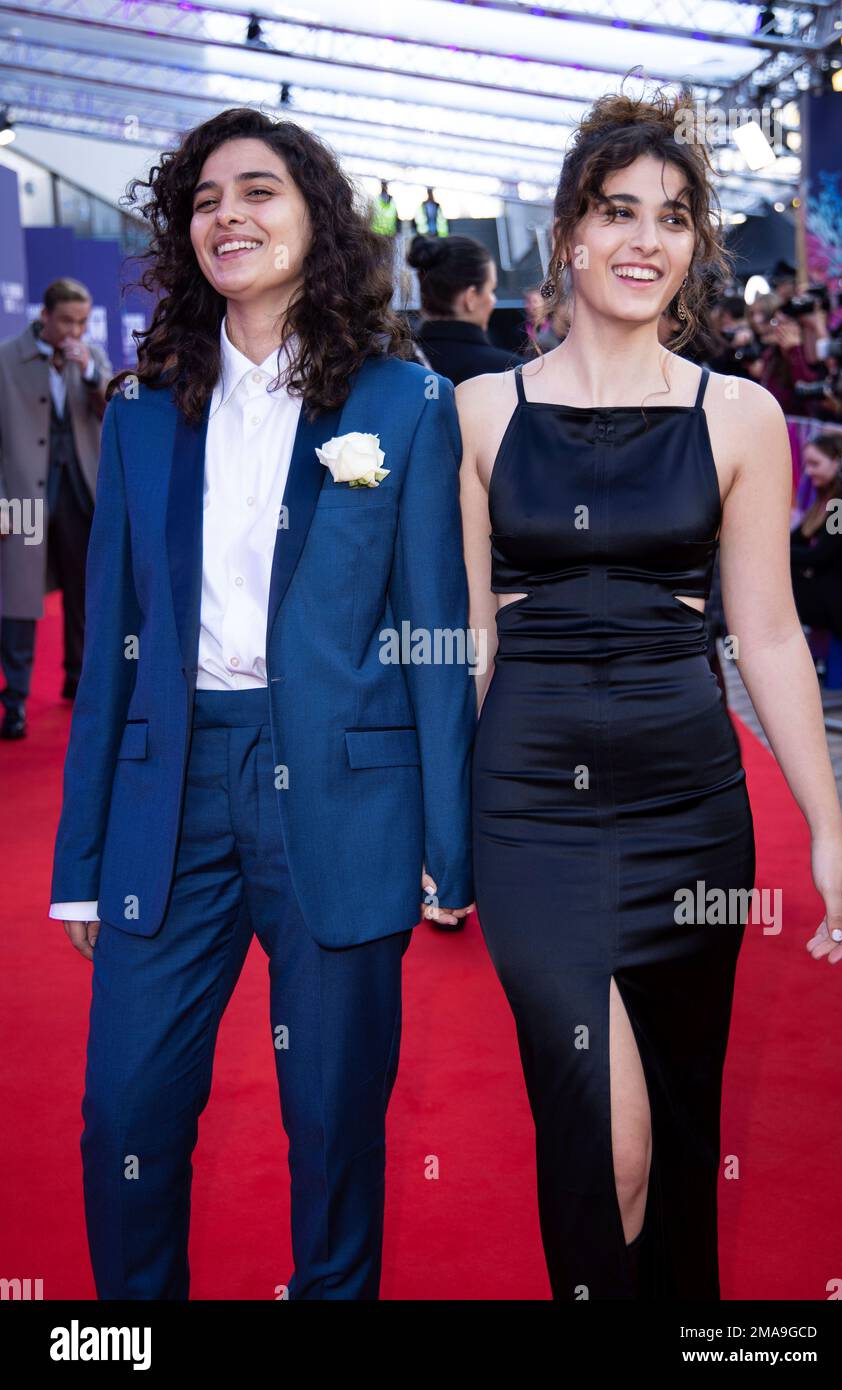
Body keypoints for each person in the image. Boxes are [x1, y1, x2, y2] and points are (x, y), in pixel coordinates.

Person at [47, 106, 475, 1300]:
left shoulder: (401, 404)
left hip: (340, 793)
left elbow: (435, 636)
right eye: (203, 200)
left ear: (315, 219)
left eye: (258, 191)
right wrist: (80, 858)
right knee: (122, 1114)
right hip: (171, 788)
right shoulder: (141, 412)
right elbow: (111, 656)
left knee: (335, 1126)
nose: (227, 215)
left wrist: (450, 838)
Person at [457, 87, 842, 1301]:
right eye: (618, 211)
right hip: (528, 807)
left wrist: (826, 828)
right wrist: (440, 824)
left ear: (693, 247)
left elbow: (772, 636)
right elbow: (464, 636)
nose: (646, 238)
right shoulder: (480, 412)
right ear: (569, 235)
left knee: (679, 1130)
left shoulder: (736, 414)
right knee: (606, 1141)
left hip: (691, 804)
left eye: (674, 217)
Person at [0, 278, 112, 738]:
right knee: (20, 600)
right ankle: (16, 701)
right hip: (24, 499)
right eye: (67, 320)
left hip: (79, 493)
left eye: (83, 322)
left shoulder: (91, 359)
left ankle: (78, 680)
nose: (75, 331)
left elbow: (117, 408)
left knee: (83, 592)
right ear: (44, 316)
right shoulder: (7, 359)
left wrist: (89, 375)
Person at [408, 234, 518, 386]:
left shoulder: (396, 365)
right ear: (470, 298)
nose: (494, 300)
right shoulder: (511, 373)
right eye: (491, 290)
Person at [790, 433, 842, 641]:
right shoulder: (822, 500)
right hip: (829, 592)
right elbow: (794, 541)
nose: (808, 471)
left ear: (838, 462)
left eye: (815, 464)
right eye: (806, 464)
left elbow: (819, 555)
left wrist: (772, 553)